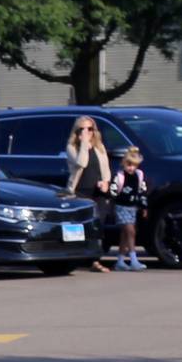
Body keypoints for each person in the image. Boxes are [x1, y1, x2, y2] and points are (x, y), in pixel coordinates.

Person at [64, 116, 112, 272]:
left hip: (97, 192)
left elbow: (105, 168)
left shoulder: (99, 146)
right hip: (80, 191)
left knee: (98, 226)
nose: (87, 132)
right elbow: (81, 163)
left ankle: (95, 260)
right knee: (80, 227)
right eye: (82, 129)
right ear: (76, 131)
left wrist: (105, 182)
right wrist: (84, 144)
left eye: (90, 129)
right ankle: (76, 257)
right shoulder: (72, 147)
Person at [109, 147, 148, 271]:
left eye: (134, 165)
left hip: (133, 207)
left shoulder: (139, 175)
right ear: (124, 163)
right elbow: (113, 191)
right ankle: (133, 259)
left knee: (125, 235)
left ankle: (120, 260)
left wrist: (144, 206)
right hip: (121, 207)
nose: (131, 168)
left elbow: (142, 191)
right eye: (128, 164)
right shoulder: (120, 176)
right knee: (131, 231)